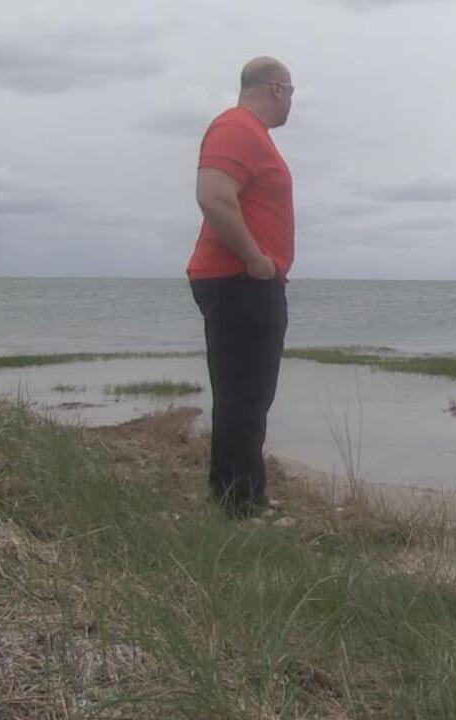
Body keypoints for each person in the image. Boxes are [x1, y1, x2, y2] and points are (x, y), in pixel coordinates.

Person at [187, 57, 295, 517]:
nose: (292, 102)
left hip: (246, 281)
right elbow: (212, 195)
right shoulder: (237, 127)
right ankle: (239, 506)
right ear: (275, 89)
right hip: (240, 280)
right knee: (243, 397)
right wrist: (254, 259)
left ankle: (241, 496)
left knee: (247, 396)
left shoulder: (253, 135)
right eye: (291, 92)